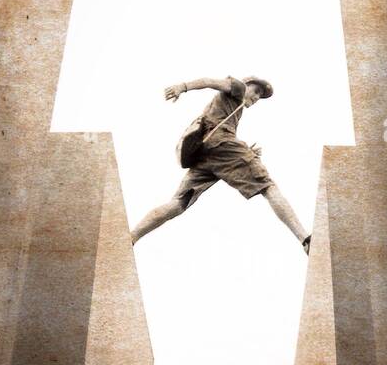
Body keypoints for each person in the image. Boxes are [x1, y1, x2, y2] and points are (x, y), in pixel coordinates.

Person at [130, 76, 311, 253]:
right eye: (256, 91)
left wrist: (245, 151)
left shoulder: (232, 107)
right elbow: (209, 82)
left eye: (259, 96)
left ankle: (131, 237)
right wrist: (182, 87)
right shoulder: (238, 87)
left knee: (178, 203)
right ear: (246, 84)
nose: (256, 97)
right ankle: (306, 240)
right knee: (267, 186)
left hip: (204, 156)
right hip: (222, 146)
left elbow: (218, 132)